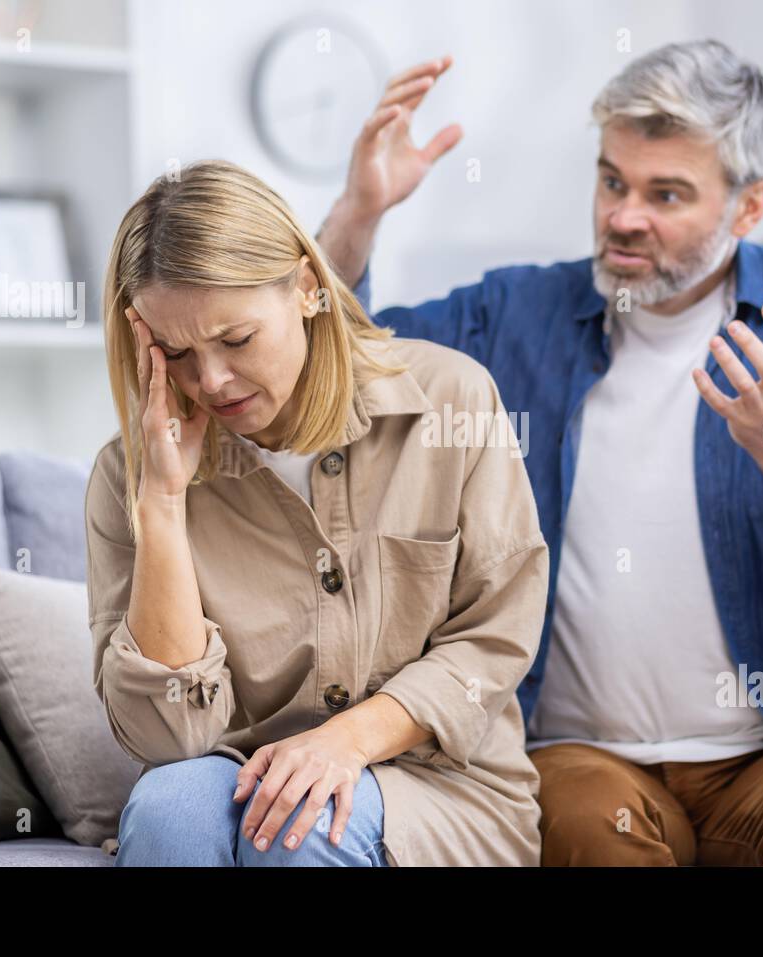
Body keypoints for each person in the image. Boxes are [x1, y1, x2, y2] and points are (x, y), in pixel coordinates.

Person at [316, 41, 763, 866]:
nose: (622, 216)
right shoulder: (515, 312)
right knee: (584, 830)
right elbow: (342, 371)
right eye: (613, 180)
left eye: (666, 193)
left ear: (749, 206)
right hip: (578, 750)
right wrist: (359, 214)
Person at [85, 159, 549, 866]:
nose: (210, 381)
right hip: (240, 775)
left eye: (236, 340)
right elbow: (169, 740)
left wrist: (350, 740)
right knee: (168, 812)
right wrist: (164, 504)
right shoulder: (133, 474)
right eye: (176, 353)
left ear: (306, 287)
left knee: (301, 833)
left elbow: (496, 637)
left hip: (444, 783)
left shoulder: (452, 400)